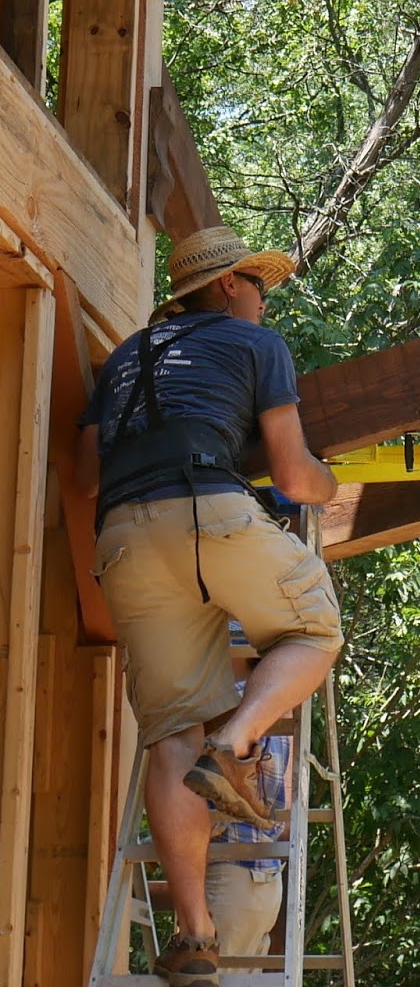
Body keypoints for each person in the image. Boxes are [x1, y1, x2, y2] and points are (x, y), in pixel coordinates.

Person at [76, 226, 342, 986]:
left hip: (123, 539)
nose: (262, 298)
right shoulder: (257, 345)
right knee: (314, 629)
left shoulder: (128, 356)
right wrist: (328, 482)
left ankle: (194, 939)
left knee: (170, 736)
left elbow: (87, 476)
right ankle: (240, 744)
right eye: (257, 285)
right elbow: (291, 471)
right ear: (228, 287)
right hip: (210, 513)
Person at [207, 624, 291, 970]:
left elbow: (211, 801)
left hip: (232, 873)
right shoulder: (274, 706)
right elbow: (282, 805)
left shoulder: (229, 710)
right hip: (265, 878)